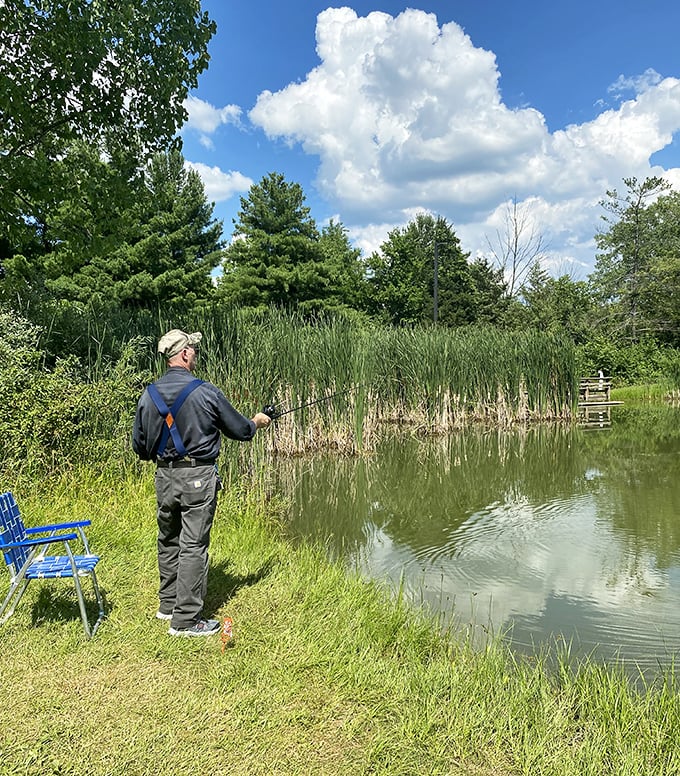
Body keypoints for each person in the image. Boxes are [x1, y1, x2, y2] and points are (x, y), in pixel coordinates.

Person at [132, 329, 271, 637]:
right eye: (192, 349)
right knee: (193, 545)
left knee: (168, 539)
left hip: (164, 477)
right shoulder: (205, 391)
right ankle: (186, 621)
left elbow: (140, 448)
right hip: (197, 477)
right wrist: (257, 421)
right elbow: (241, 430)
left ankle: (167, 606)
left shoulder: (149, 394)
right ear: (182, 355)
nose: (195, 353)